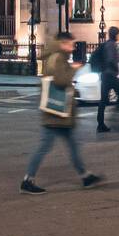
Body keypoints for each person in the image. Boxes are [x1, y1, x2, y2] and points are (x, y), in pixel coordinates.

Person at [21, 33, 99, 194]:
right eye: (71, 44)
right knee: (44, 147)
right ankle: (28, 180)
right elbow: (60, 81)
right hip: (55, 112)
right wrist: (73, 69)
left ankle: (85, 176)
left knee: (72, 146)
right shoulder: (57, 57)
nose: (73, 47)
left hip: (60, 113)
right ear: (64, 43)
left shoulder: (57, 56)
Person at [93, 26, 119, 132]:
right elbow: (111, 60)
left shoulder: (108, 44)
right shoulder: (111, 45)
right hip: (110, 75)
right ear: (114, 35)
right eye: (118, 34)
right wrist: (116, 69)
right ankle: (114, 118)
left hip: (106, 75)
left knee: (104, 100)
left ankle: (101, 124)